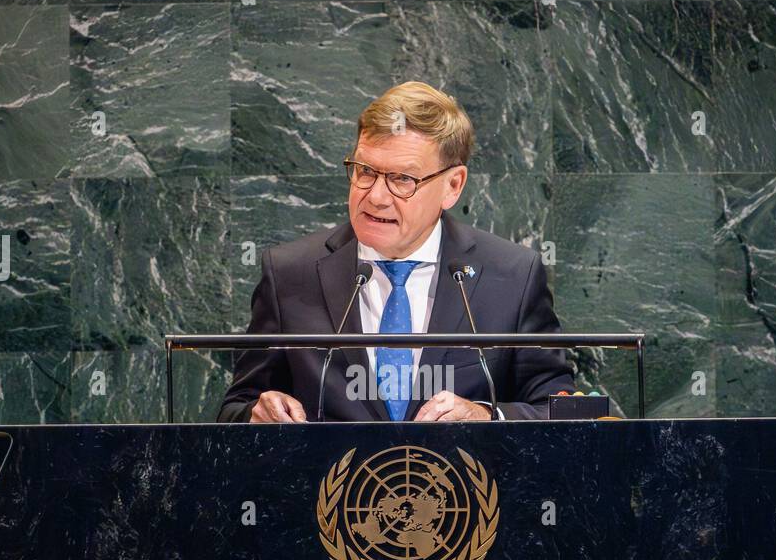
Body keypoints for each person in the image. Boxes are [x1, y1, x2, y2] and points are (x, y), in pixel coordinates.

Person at [217, 80, 574, 423]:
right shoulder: (290, 273)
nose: (375, 196)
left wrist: (486, 415)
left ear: (453, 185)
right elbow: (235, 409)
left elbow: (558, 409)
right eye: (364, 171)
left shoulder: (512, 276)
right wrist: (256, 414)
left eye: (402, 179)